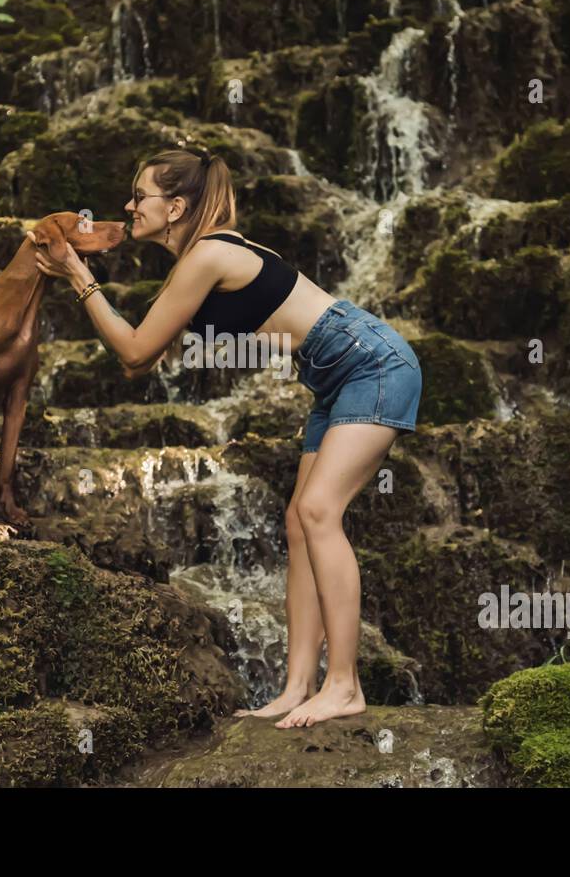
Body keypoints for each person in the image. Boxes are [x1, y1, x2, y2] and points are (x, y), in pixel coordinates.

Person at [33, 147, 422, 728]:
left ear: (177, 205)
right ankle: (297, 685)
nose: (128, 205)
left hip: (371, 364)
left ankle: (344, 684)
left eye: (140, 196)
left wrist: (78, 275)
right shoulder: (202, 257)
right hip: (332, 375)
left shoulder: (209, 254)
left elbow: (136, 353)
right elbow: (144, 350)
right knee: (299, 521)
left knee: (319, 512)